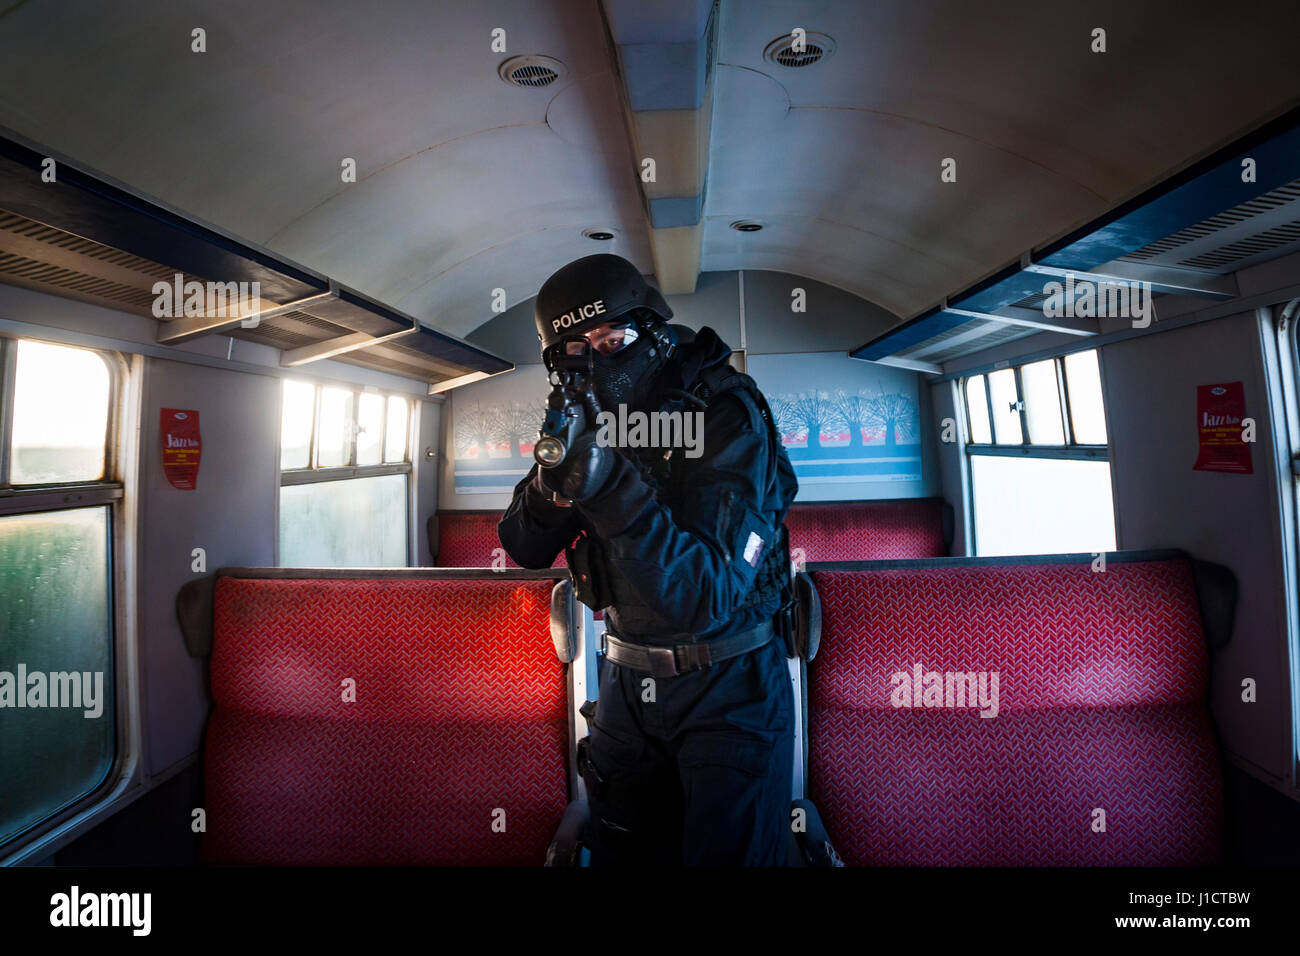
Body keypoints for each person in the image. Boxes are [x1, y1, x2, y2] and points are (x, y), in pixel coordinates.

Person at [498, 253, 798, 866]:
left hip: (730, 683)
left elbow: (707, 598)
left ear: (653, 329)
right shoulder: (587, 414)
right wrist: (552, 483)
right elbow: (523, 545)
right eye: (578, 350)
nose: (600, 359)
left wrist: (608, 486)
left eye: (614, 338)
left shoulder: (724, 412)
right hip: (626, 685)